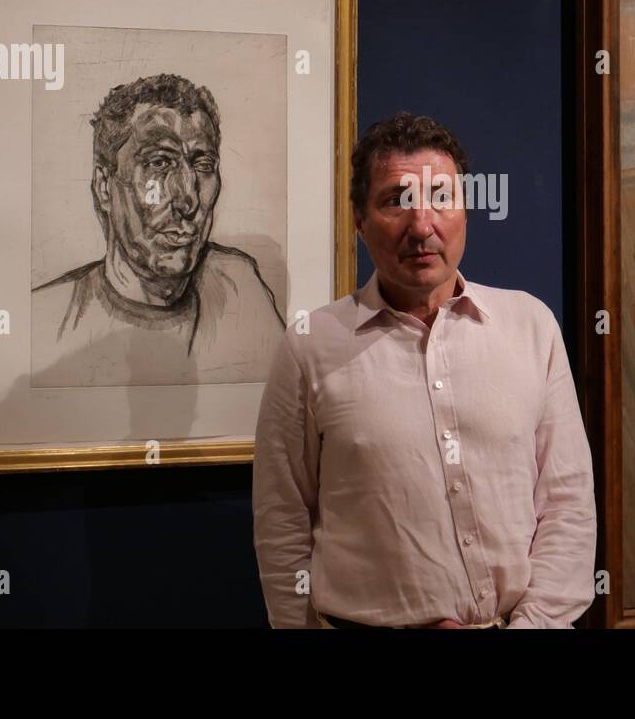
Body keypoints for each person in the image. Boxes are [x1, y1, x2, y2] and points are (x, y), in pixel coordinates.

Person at [253, 112, 596, 628]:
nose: (422, 225)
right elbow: (282, 523)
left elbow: (568, 504)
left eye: (441, 196)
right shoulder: (311, 347)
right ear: (359, 219)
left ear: (464, 210)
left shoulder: (531, 326)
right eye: (396, 201)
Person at [31, 73, 284, 387]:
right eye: (160, 162)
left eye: (202, 165)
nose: (188, 198)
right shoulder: (46, 321)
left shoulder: (240, 286)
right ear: (104, 186)